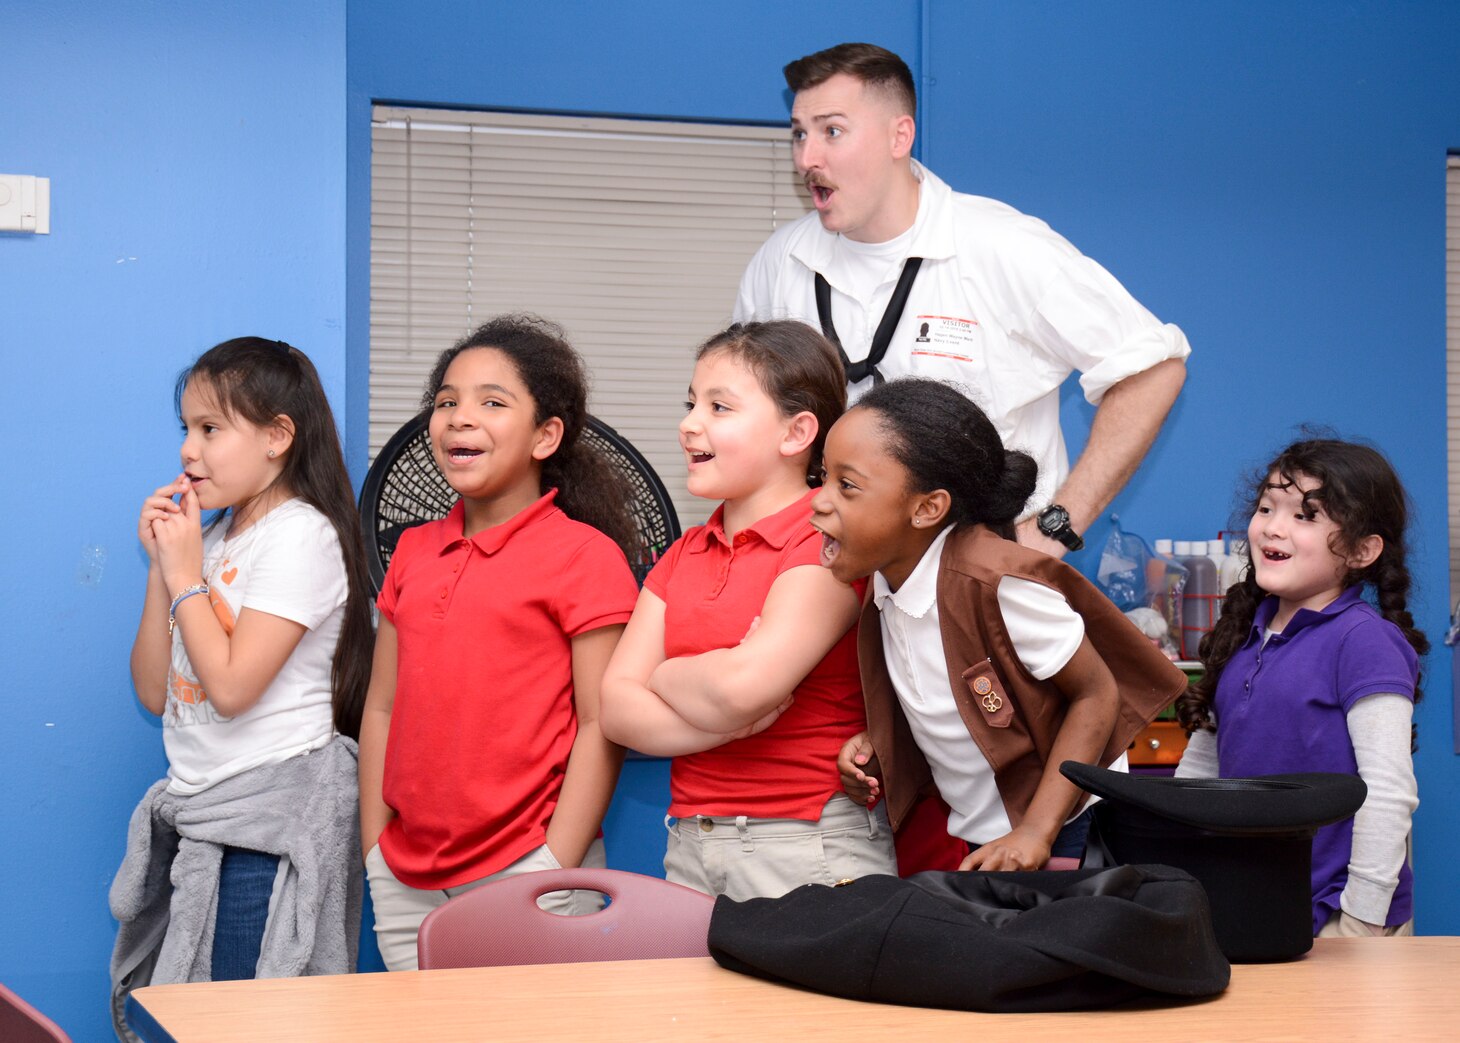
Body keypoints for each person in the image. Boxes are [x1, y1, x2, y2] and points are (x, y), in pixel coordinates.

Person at [735, 42, 1190, 557]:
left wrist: (1053, 530)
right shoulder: (780, 261)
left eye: (832, 131)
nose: (807, 158)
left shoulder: (1002, 246)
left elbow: (1153, 370)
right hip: (832, 575)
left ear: (899, 136)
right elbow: (752, 418)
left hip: (987, 578)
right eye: (799, 133)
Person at [358, 315, 640, 971]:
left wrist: (554, 864)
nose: (460, 417)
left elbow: (602, 724)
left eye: (492, 402)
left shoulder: (584, 556)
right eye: (446, 401)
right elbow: (381, 706)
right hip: (404, 878)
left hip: (529, 872)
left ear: (546, 435)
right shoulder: (412, 551)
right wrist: (375, 848)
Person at [813, 378, 1185, 870]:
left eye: (847, 486)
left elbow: (1097, 693)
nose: (819, 500)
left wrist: (1037, 831)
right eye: (822, 477)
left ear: (926, 509)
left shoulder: (998, 585)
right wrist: (882, 744)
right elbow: (939, 693)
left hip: (1063, 819)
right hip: (986, 825)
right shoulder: (887, 582)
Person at [113, 338, 373, 1006]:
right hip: (205, 818)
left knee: (238, 1017)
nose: (187, 450)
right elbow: (152, 691)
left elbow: (231, 689)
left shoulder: (301, 534)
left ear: (277, 437)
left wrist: (183, 573)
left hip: (264, 824)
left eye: (210, 429)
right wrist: (162, 567)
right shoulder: (213, 539)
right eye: (186, 429)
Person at [599, 320, 897, 900]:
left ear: (797, 432)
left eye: (719, 407)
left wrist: (665, 676)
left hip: (807, 845)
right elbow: (615, 710)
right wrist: (726, 714)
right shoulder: (684, 553)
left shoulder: (827, 540)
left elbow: (742, 689)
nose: (689, 424)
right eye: (691, 404)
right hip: (691, 843)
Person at [1175, 438, 1424, 937]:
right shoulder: (1242, 633)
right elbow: (1201, 774)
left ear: (1361, 550)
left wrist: (1361, 921)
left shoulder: (1365, 640)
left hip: (1337, 914)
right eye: (1267, 508)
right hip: (1253, 903)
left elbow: (1387, 790)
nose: (1273, 526)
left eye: (1305, 516)